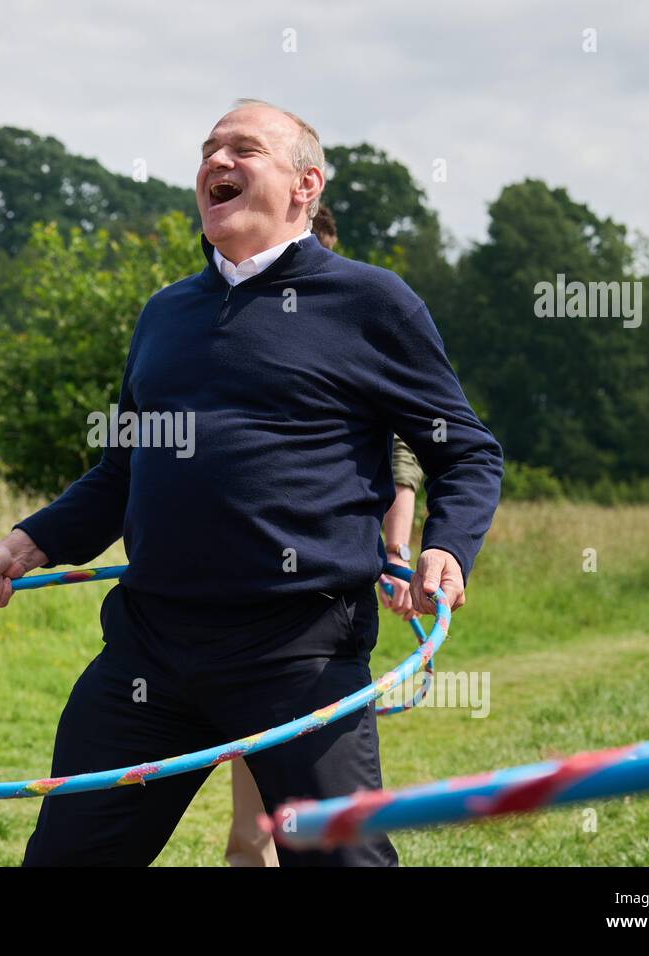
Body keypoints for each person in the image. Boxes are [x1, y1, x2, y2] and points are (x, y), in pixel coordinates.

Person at [0, 99, 503, 866]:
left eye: (244, 149)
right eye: (209, 149)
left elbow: (466, 450)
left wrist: (449, 545)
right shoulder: (166, 313)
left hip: (297, 653)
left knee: (340, 863)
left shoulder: (371, 304)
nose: (216, 161)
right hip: (150, 649)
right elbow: (119, 474)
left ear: (306, 184)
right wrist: (18, 547)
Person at [223, 203, 424, 867]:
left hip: (318, 604)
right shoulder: (231, 325)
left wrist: (397, 556)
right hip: (236, 604)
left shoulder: (362, 321)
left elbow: (404, 472)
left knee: (308, 803)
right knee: (251, 818)